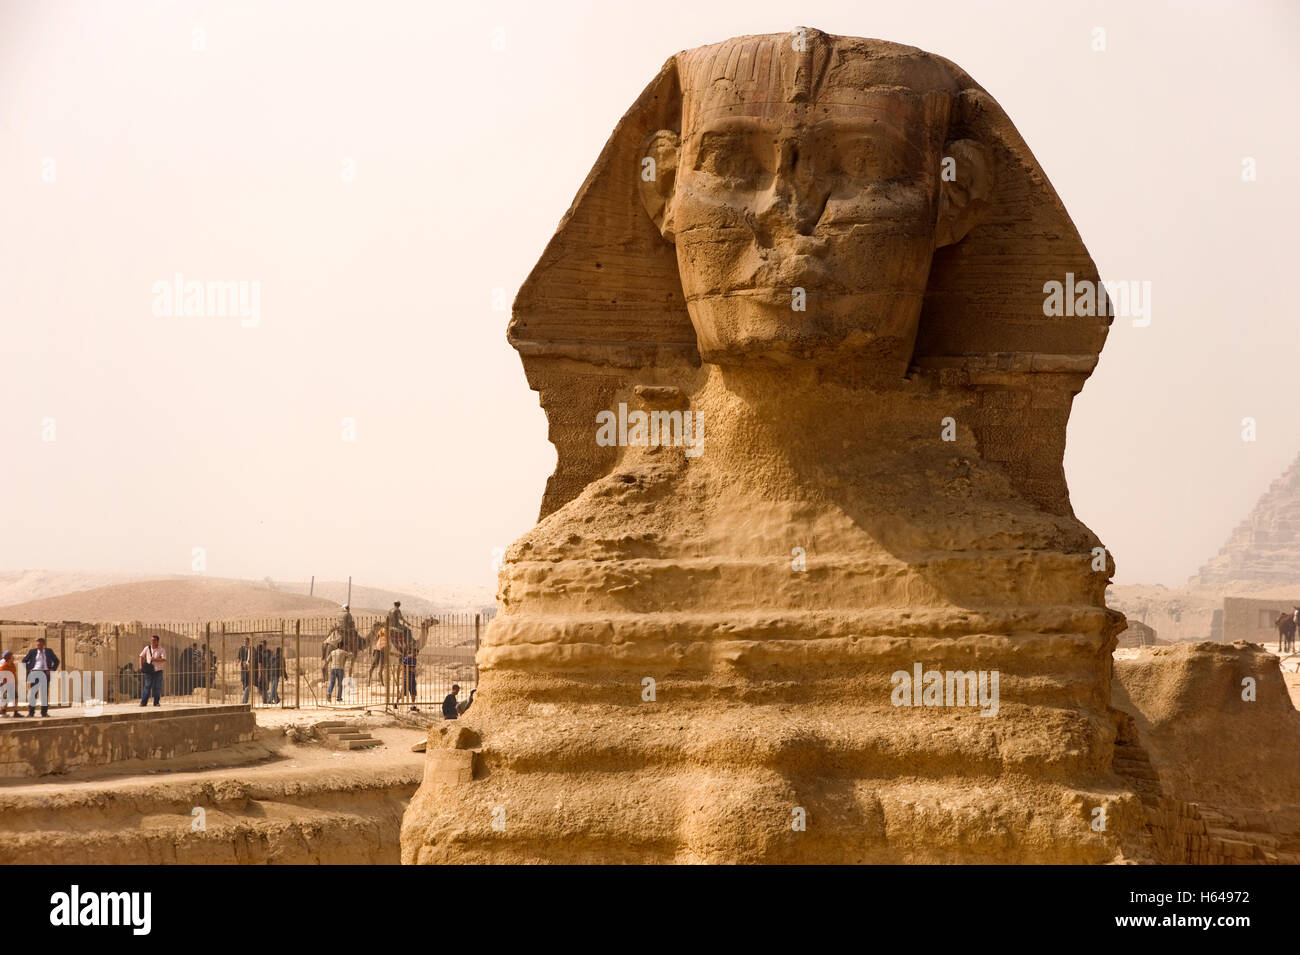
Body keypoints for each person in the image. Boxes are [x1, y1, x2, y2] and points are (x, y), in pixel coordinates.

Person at [21, 637, 59, 717]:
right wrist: (29, 669)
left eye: (40, 645)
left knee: (44, 693)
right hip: (34, 673)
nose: (39, 646)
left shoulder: (49, 651)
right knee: (33, 694)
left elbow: (56, 661)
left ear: (43, 644)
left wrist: (51, 669)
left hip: (45, 673)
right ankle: (31, 713)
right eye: (37, 645)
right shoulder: (32, 652)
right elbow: (24, 661)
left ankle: (44, 713)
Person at [139, 634, 166, 707]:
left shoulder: (161, 649)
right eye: (151, 640)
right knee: (147, 686)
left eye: (154, 640)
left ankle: (156, 702)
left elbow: (164, 659)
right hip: (149, 670)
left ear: (157, 641)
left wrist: (155, 659)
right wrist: (140, 666)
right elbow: (141, 656)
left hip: (158, 670)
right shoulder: (147, 648)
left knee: (157, 687)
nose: (152, 642)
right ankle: (143, 702)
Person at [0, 650, 17, 717]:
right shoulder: (3, 667)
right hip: (3, 684)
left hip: (10, 683)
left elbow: (14, 674)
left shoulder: (12, 665)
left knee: (15, 697)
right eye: (12, 656)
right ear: (8, 658)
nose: (13, 657)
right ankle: (2, 712)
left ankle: (15, 712)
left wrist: (15, 684)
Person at [237, 636, 254, 704]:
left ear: (248, 642)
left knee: (248, 683)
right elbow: (239, 657)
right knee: (243, 681)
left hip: (249, 668)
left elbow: (254, 657)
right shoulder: (241, 648)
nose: (245, 643)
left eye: (246, 642)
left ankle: (244, 700)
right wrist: (237, 662)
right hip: (243, 667)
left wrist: (249, 663)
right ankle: (245, 698)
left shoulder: (251, 649)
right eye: (244, 641)